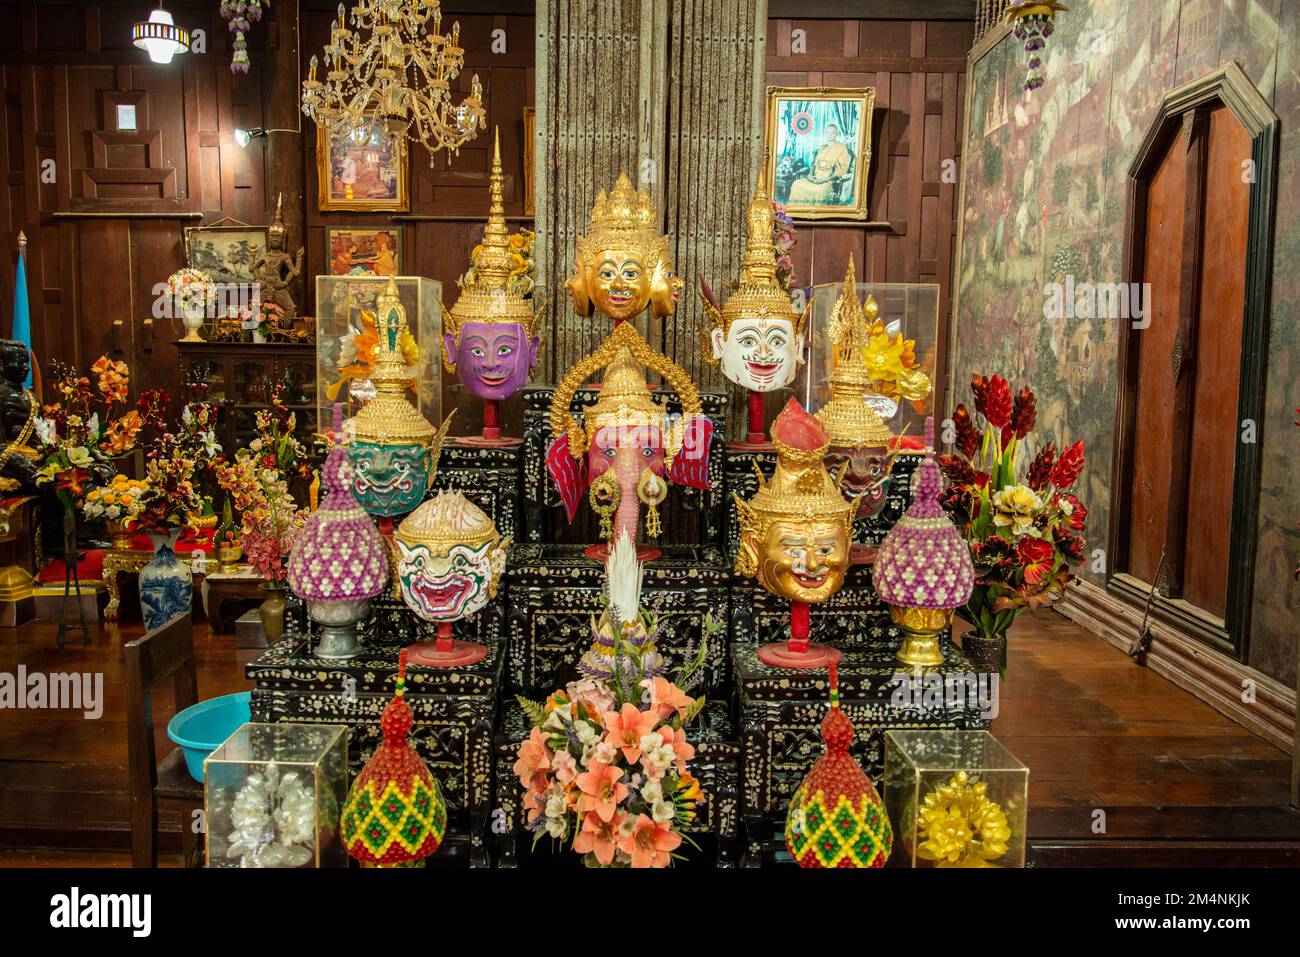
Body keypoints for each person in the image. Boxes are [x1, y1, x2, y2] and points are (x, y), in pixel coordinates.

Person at [788, 122, 853, 205]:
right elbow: (814, 164)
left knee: (819, 191)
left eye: (833, 132)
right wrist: (810, 175)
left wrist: (823, 180)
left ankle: (815, 214)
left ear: (837, 134)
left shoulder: (841, 148)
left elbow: (841, 170)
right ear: (825, 133)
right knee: (796, 184)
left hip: (828, 180)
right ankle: (799, 211)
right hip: (815, 178)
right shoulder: (822, 148)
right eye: (828, 132)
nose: (830, 135)